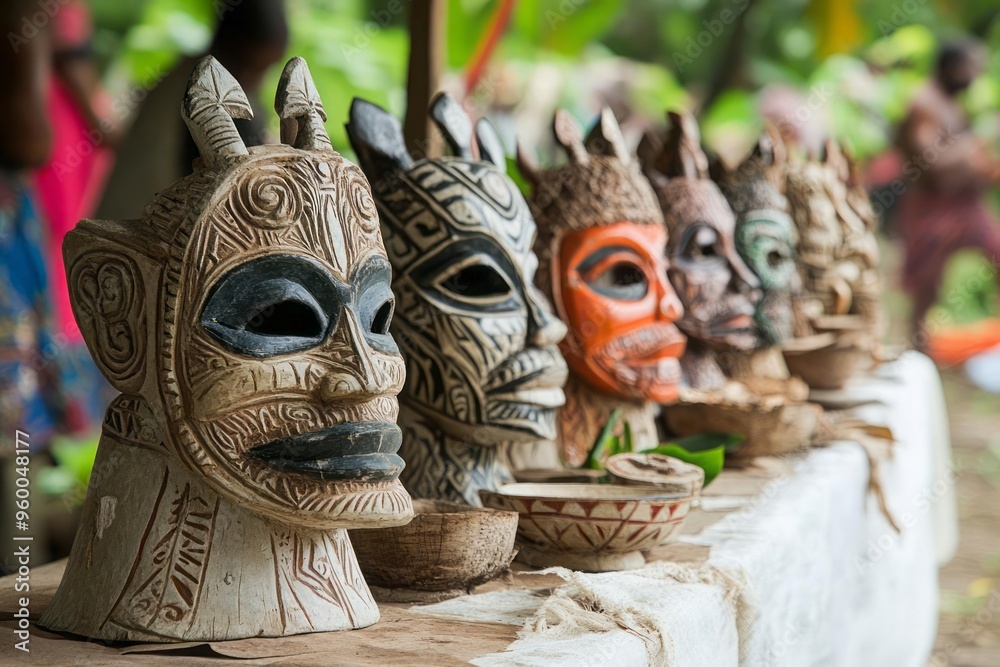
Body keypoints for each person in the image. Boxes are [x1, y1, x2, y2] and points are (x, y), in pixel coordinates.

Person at [97, 0, 288, 220]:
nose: (257, 79)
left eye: (264, 69)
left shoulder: (193, 78)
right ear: (230, 47)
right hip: (142, 225)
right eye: (252, 66)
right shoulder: (203, 92)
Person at [895, 40, 1000, 344]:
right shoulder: (923, 103)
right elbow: (931, 162)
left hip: (965, 206)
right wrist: (976, 143)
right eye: (971, 68)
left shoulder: (952, 103)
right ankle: (918, 348)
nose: (975, 76)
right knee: (926, 281)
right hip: (933, 209)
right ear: (951, 68)